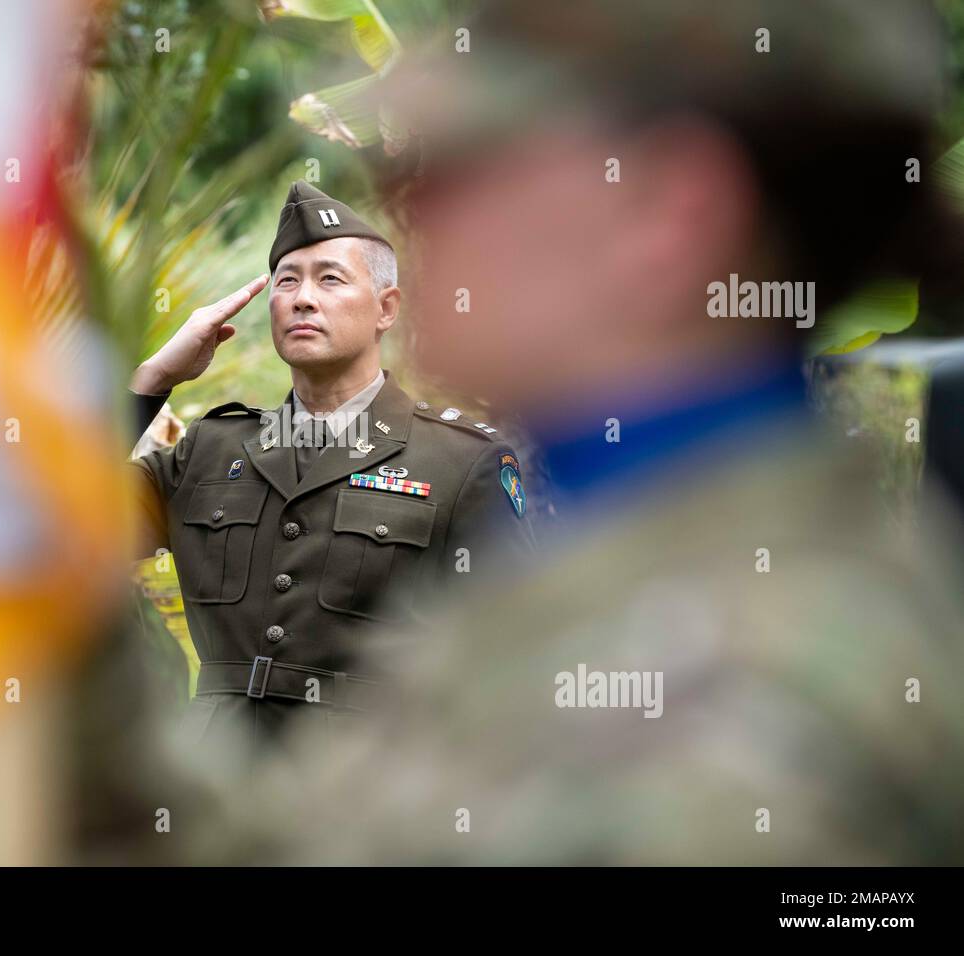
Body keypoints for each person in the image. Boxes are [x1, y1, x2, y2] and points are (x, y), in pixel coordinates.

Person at [77, 0, 964, 864]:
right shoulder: (623, 572)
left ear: (667, 211)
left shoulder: (761, 716)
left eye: (466, 156)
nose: (406, 197)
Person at [126, 181, 536, 758]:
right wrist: (148, 384)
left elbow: (516, 658)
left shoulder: (462, 462)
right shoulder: (211, 450)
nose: (302, 298)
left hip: (370, 804)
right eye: (287, 280)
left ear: (386, 309)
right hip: (212, 800)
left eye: (330, 278)